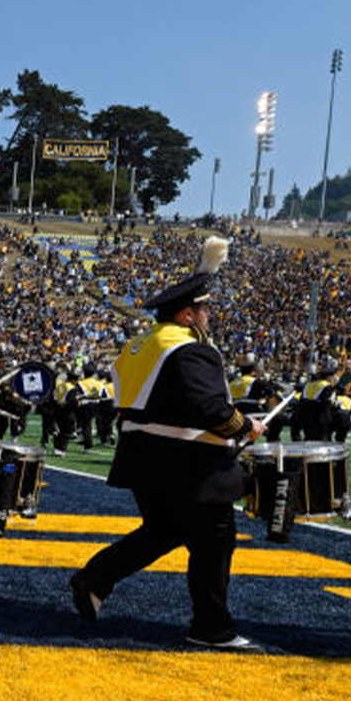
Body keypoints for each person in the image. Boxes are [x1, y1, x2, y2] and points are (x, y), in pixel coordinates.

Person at [69, 236, 265, 649]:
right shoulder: (189, 349)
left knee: (162, 530)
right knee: (214, 539)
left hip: (142, 458)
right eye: (205, 310)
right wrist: (245, 426)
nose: (209, 316)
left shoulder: (138, 345)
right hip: (187, 463)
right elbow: (209, 407)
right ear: (187, 314)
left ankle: (95, 578)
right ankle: (211, 627)